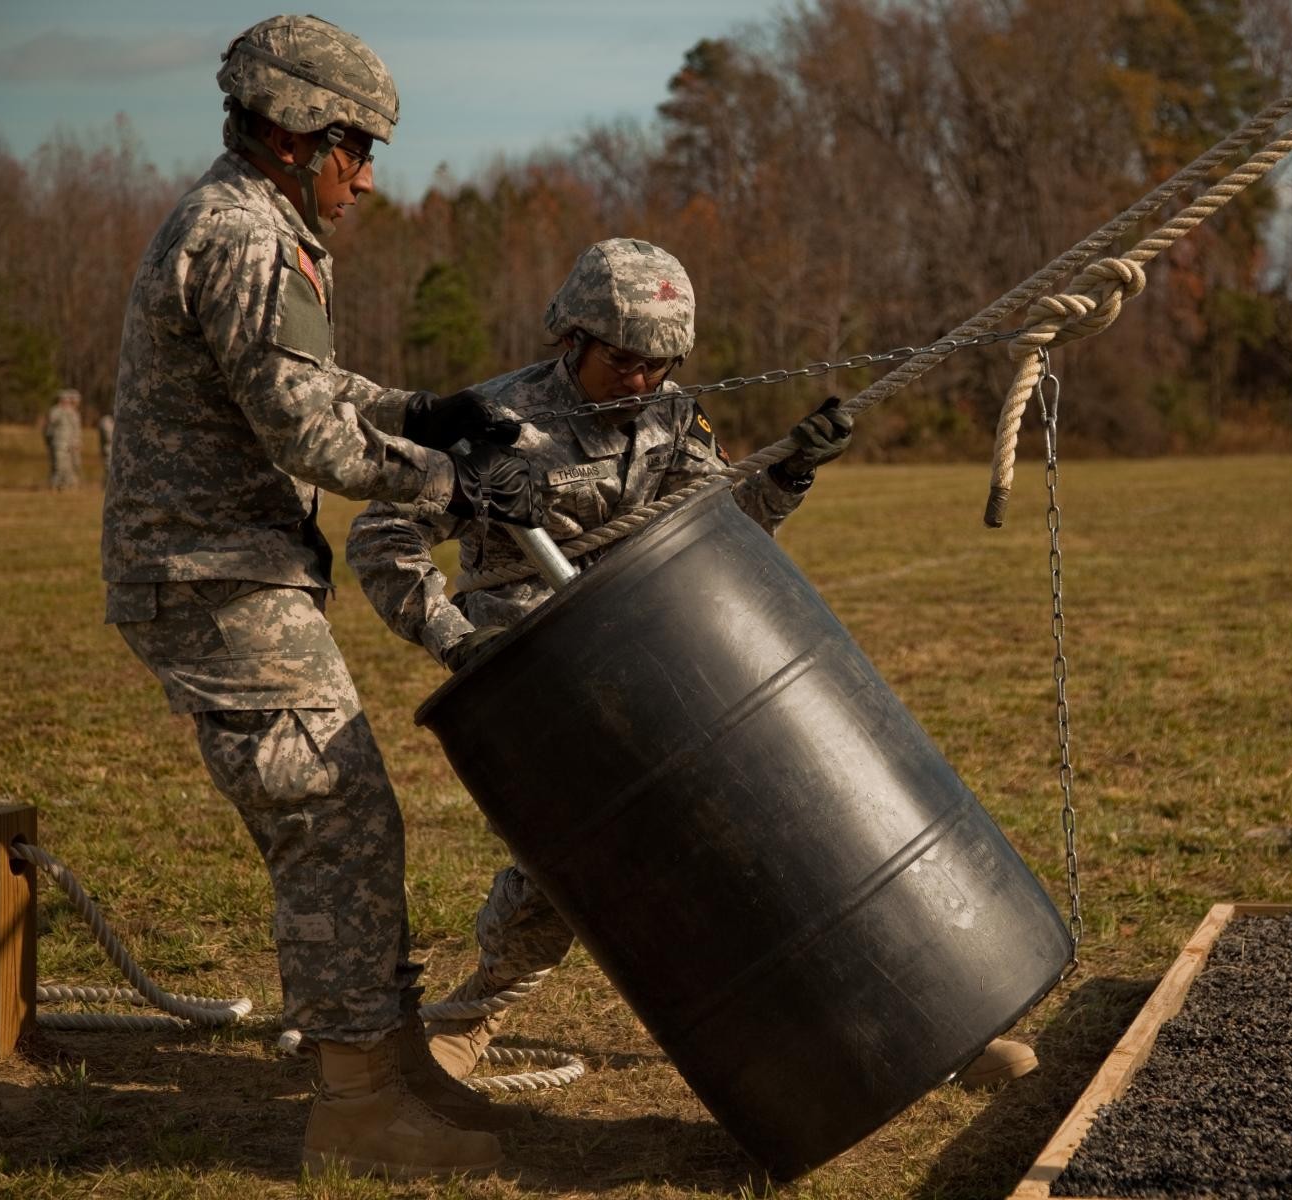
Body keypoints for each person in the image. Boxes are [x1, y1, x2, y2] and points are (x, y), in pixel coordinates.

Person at [347, 237, 1040, 1093]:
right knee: (578, 869)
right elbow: (381, 536)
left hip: (677, 666)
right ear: (573, 338)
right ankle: (473, 1017)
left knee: (799, 843)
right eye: (623, 361)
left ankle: (934, 1030)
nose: (641, 381)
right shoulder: (489, 426)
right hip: (546, 685)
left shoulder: (678, 419)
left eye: (660, 363)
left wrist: (784, 477)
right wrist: (455, 640)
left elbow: (719, 537)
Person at [100, 14, 535, 1180]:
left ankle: (390, 1068)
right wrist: (450, 485)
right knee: (331, 819)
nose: (370, 173)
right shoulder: (245, 237)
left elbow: (315, 383)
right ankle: (355, 1109)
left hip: (228, 568)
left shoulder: (248, 223)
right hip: (210, 576)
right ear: (297, 135)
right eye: (359, 145)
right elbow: (301, 428)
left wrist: (422, 410)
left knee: (349, 812)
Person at [43, 389, 82, 490]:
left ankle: (66, 486)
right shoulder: (57, 410)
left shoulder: (71, 412)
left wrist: (75, 442)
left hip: (68, 444)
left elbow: (74, 429)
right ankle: (54, 486)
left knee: (68, 467)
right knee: (58, 466)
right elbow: (50, 423)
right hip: (59, 444)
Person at [97, 409, 116, 480]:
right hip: (109, 448)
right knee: (109, 468)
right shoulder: (106, 421)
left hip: (116, 449)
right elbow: (109, 437)